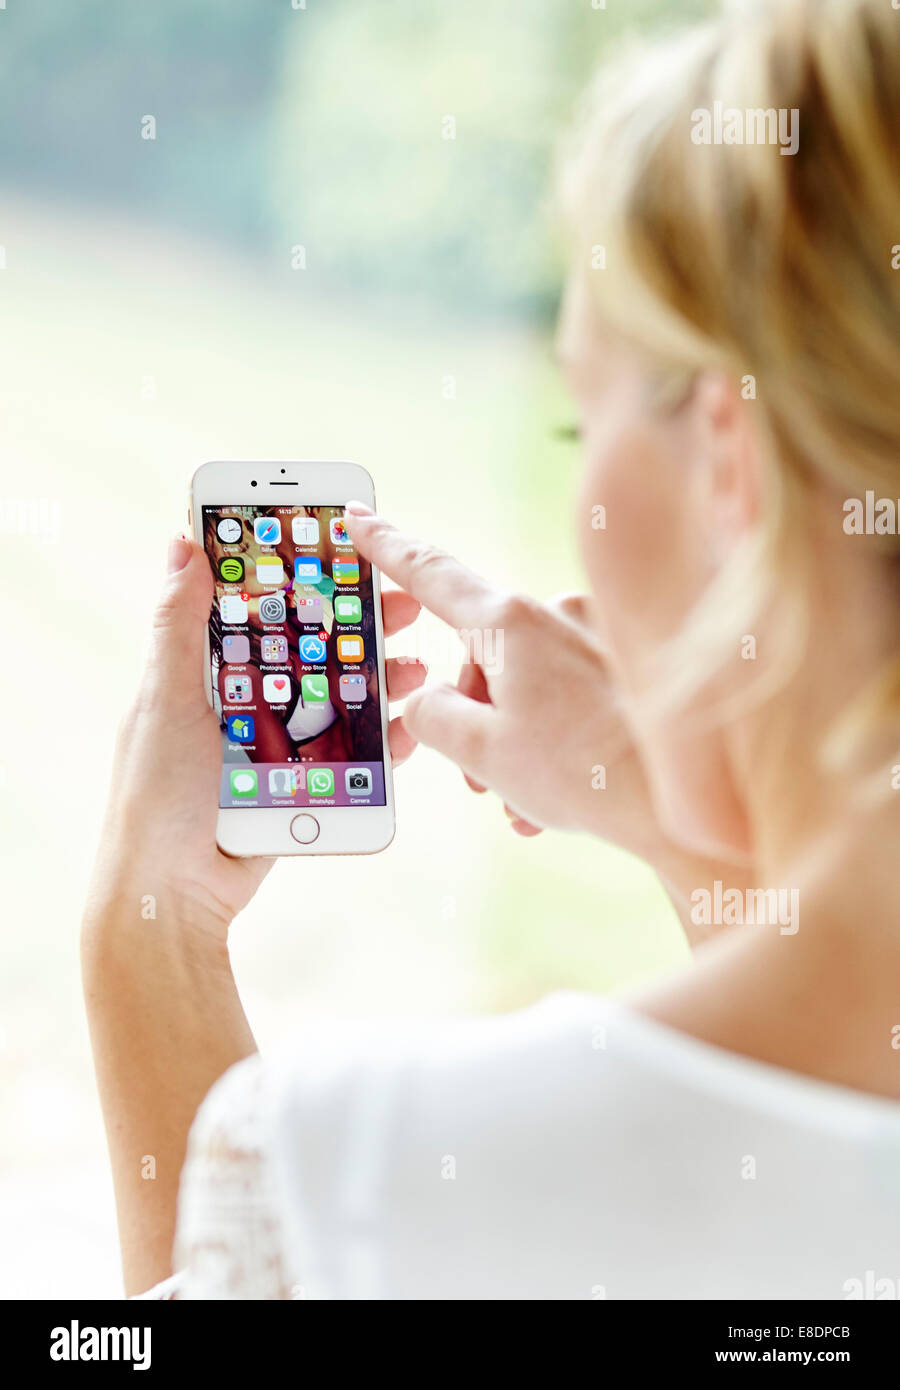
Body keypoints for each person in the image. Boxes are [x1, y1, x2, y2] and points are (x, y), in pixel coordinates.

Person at [82, 0, 900, 1299]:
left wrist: (149, 920)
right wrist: (701, 832)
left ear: (733, 470)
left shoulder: (362, 1173)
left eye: (583, 428)